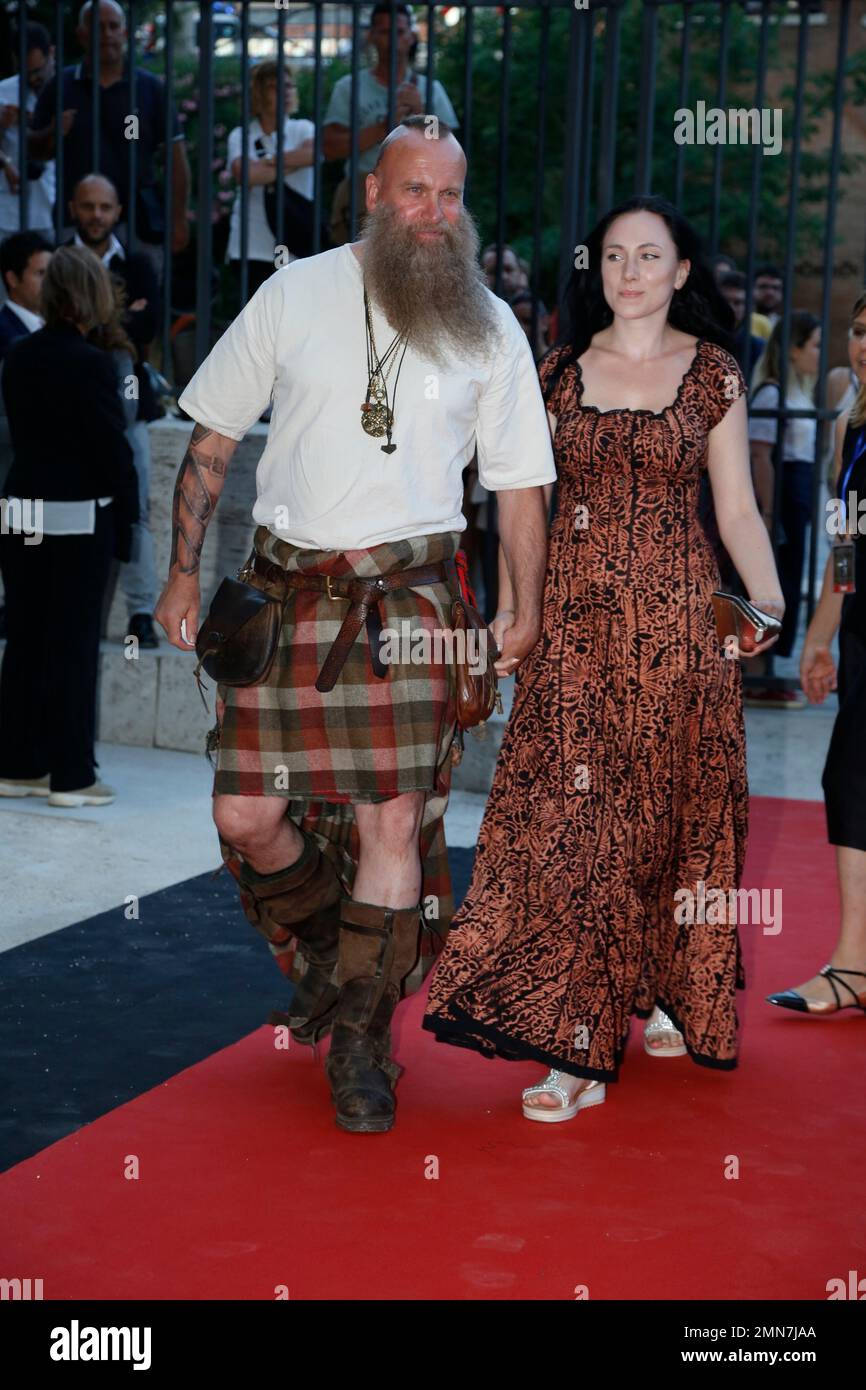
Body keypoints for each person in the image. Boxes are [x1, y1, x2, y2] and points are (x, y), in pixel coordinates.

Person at [153, 116, 555, 1135]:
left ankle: (364, 1036)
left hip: (412, 605)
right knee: (244, 816)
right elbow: (210, 443)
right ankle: (335, 952)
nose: (431, 214)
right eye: (413, 191)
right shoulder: (294, 291)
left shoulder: (488, 324)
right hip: (285, 596)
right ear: (372, 193)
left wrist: (523, 604)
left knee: (390, 823)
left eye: (449, 195)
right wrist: (180, 575)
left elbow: (518, 489)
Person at [423, 195, 785, 1118]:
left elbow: (735, 507)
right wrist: (518, 612)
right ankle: (575, 1046)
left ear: (681, 273)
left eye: (650, 255)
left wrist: (769, 599)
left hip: (677, 627)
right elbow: (521, 506)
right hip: (575, 632)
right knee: (575, 828)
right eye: (614, 255)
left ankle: (663, 981)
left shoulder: (713, 374)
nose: (630, 271)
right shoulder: (549, 373)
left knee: (668, 812)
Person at [0, 245, 138, 807]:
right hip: (79, 515)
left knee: (25, 640)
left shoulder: (18, 355)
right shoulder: (91, 362)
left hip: (20, 511)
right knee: (74, 646)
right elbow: (111, 449)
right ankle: (72, 776)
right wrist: (128, 522)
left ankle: (17, 763)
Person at [767, 290, 866, 1016]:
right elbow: (844, 546)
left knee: (853, 780)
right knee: (852, 783)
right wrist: (821, 635)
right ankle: (855, 966)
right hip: (862, 632)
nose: (864, 345)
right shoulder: (849, 431)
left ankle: (854, 967)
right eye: (860, 332)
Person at [66, 172, 161, 647]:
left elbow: (150, 321)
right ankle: (71, 608)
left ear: (118, 212)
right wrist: (122, 316)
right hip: (70, 412)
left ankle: (140, 613)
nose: (97, 215)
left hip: (129, 411)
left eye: (105, 207)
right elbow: (61, 325)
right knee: (71, 510)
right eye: (88, 206)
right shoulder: (60, 262)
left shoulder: (139, 262)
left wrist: (95, 318)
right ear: (73, 208)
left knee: (135, 511)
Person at [28, 0, 190, 274]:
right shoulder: (60, 86)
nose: (106, 34)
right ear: (81, 35)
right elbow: (33, 152)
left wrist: (177, 220)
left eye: (113, 26)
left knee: (139, 305)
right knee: (75, 302)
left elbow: (176, 159)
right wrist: (52, 132)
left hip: (139, 221)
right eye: (97, 27)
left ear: (125, 33)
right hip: (76, 221)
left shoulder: (149, 88)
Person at [323, 3, 458, 245]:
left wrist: (419, 114)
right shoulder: (348, 87)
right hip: (361, 190)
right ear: (372, 37)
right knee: (356, 272)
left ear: (411, 38)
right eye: (385, 32)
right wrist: (387, 126)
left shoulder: (431, 89)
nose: (393, 40)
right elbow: (330, 148)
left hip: (420, 190)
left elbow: (452, 152)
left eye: (400, 32)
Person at [746, 310, 821, 706]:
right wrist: (770, 510)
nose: (818, 354)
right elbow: (761, 456)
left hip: (798, 494)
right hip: (782, 495)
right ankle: (759, 670)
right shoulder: (773, 391)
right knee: (777, 580)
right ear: (792, 350)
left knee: (790, 576)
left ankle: (771, 665)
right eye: (814, 345)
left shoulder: (800, 390)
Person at [226, 60, 316, 298]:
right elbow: (246, 174)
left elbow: (313, 154)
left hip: (293, 241)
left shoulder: (304, 128)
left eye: (289, 86)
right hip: (250, 243)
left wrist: (268, 161)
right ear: (258, 93)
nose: (286, 92)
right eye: (275, 87)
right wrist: (290, 163)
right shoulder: (242, 135)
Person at [0, 23, 56, 255]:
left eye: (38, 71)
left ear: (51, 53)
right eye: (27, 72)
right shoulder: (4, 91)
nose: (33, 78)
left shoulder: (67, 87)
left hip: (50, 203)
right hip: (8, 207)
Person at [718, 270, 764, 377]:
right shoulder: (698, 341)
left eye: (737, 303)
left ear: (750, 307)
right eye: (725, 301)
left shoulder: (756, 348)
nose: (730, 308)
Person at [752, 263, 783, 335]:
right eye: (763, 286)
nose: (770, 292)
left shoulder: (784, 326)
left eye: (775, 288)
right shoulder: (741, 322)